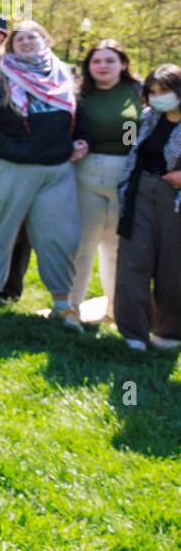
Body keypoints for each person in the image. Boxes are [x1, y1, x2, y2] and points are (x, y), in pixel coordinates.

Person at [0, 20, 82, 327]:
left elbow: (80, 118)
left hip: (55, 171)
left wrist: (83, 140)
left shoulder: (64, 77)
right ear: (11, 46)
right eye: (20, 39)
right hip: (7, 170)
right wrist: (4, 145)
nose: (26, 42)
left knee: (61, 238)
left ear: (45, 41)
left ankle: (63, 303)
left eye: (33, 37)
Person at [70, 40, 141, 324]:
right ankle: (71, 307)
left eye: (110, 60)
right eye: (96, 61)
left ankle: (116, 309)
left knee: (117, 247)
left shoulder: (139, 92)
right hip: (87, 176)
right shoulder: (79, 95)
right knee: (82, 245)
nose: (102, 66)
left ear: (123, 64)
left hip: (127, 178)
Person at [114, 64, 181, 352]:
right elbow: (130, 147)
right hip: (139, 191)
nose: (158, 97)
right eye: (152, 92)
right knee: (133, 259)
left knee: (173, 264)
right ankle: (133, 332)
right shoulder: (147, 118)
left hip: (174, 197)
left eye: (164, 90)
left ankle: (170, 330)